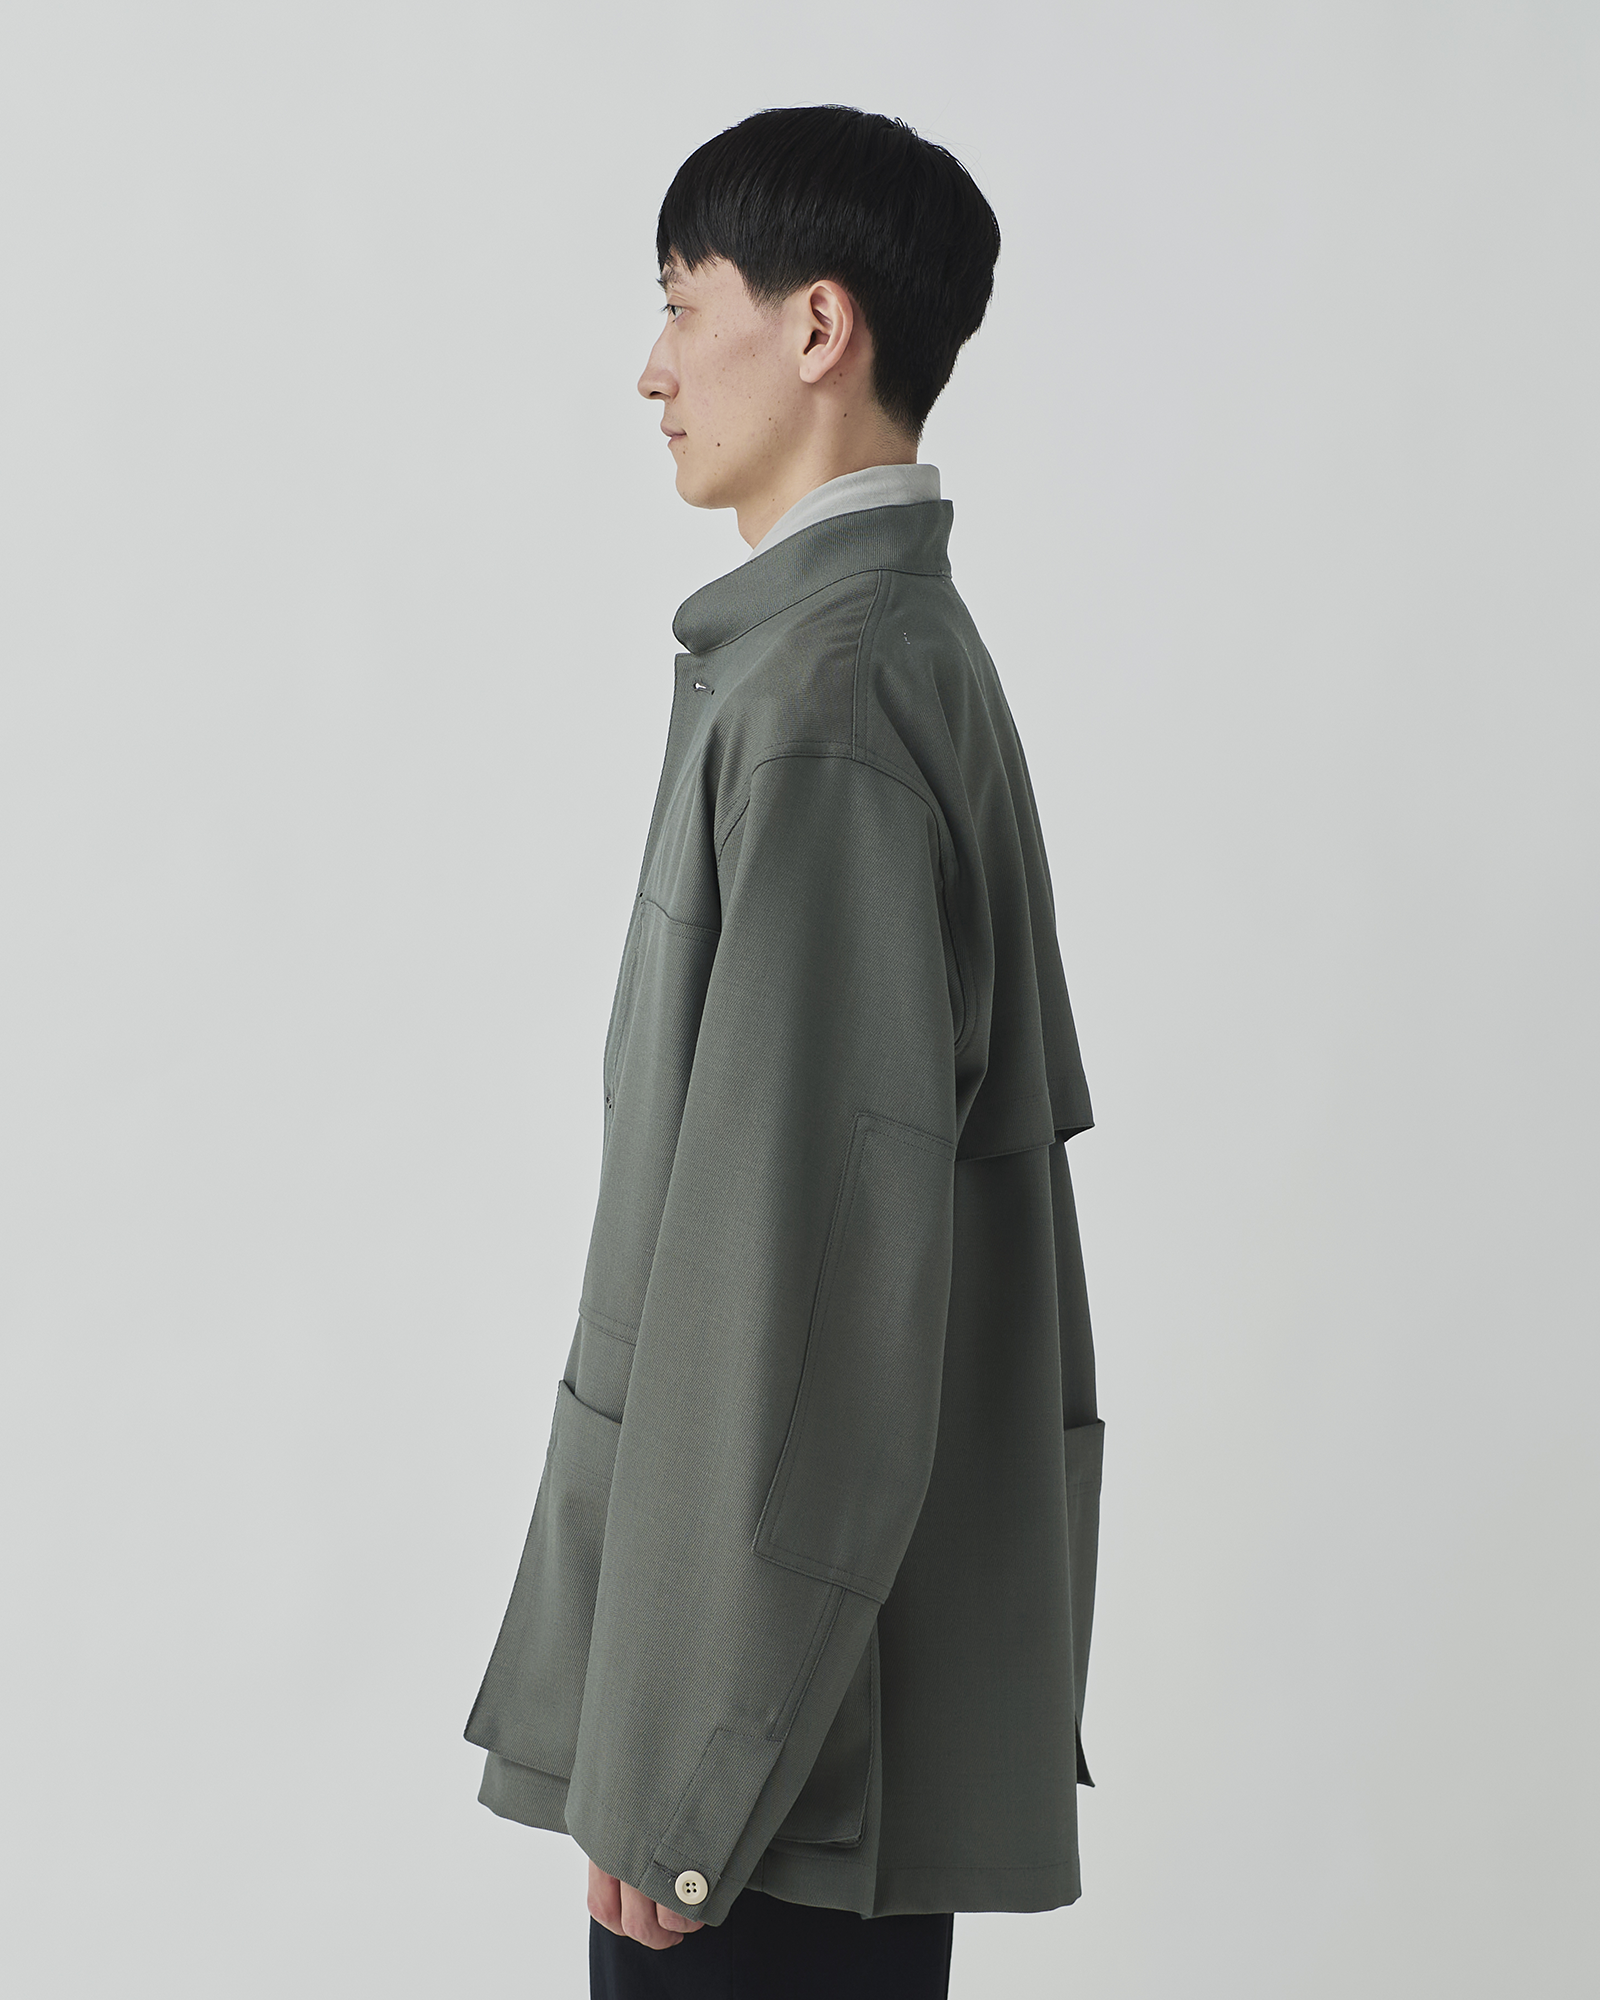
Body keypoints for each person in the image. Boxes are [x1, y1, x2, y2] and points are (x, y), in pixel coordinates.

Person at [464, 104, 1105, 2000]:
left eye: (684, 303)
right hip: (804, 1732)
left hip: (772, 1773)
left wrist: (683, 1778)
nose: (652, 368)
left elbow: (801, 1300)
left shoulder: (830, 700)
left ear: (818, 326)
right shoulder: (863, 655)